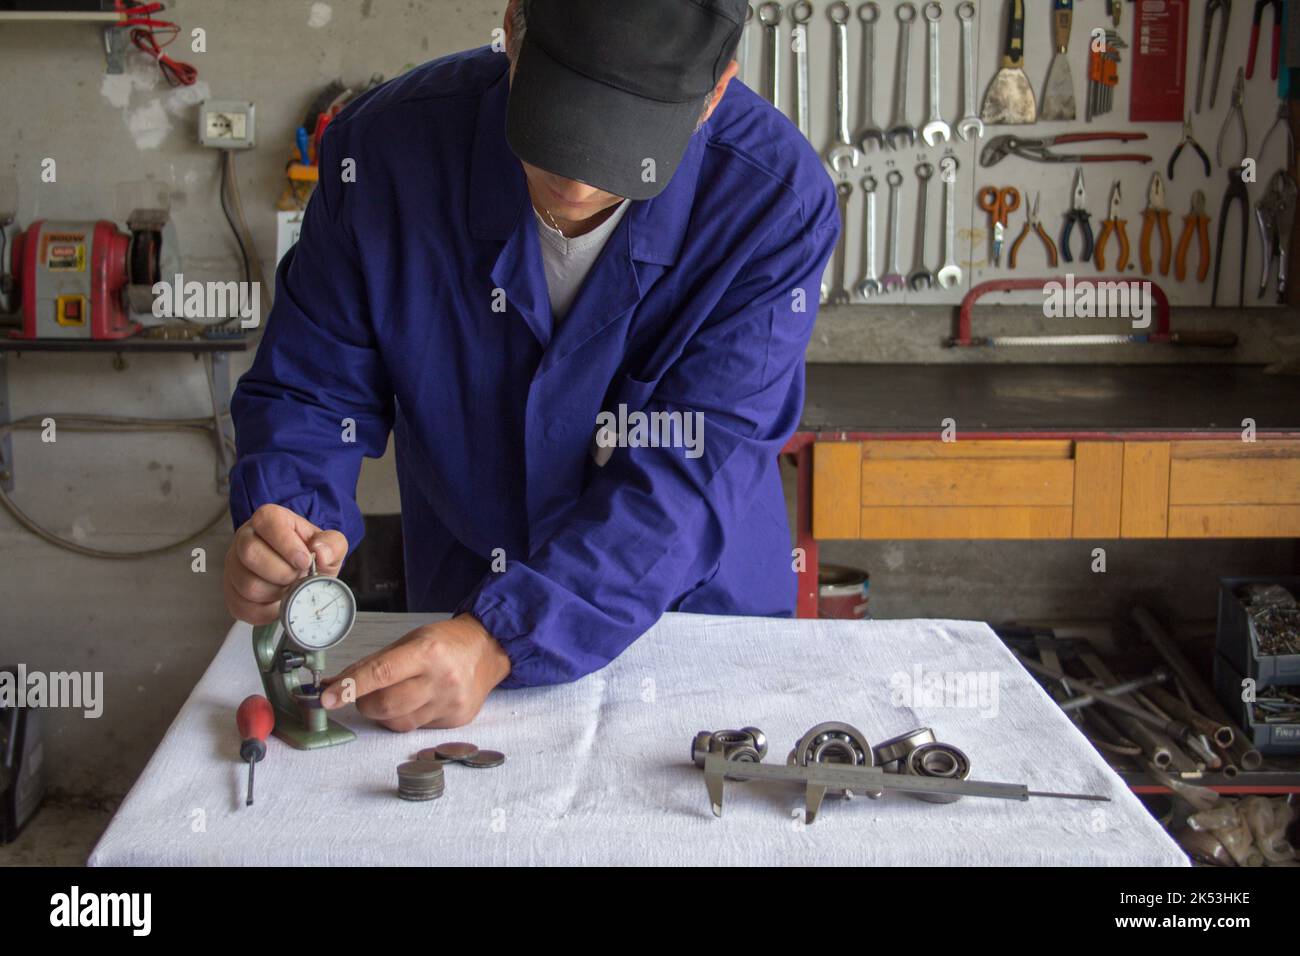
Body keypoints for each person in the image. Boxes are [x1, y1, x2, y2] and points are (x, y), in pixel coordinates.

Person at [222, 0, 839, 731]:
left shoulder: (773, 203)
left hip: (690, 619)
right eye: (556, 130)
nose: (577, 186)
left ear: (714, 92)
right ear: (513, 32)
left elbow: (689, 473)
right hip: (460, 613)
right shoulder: (385, 157)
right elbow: (310, 390)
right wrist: (289, 522)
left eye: (621, 151)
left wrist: (505, 635)